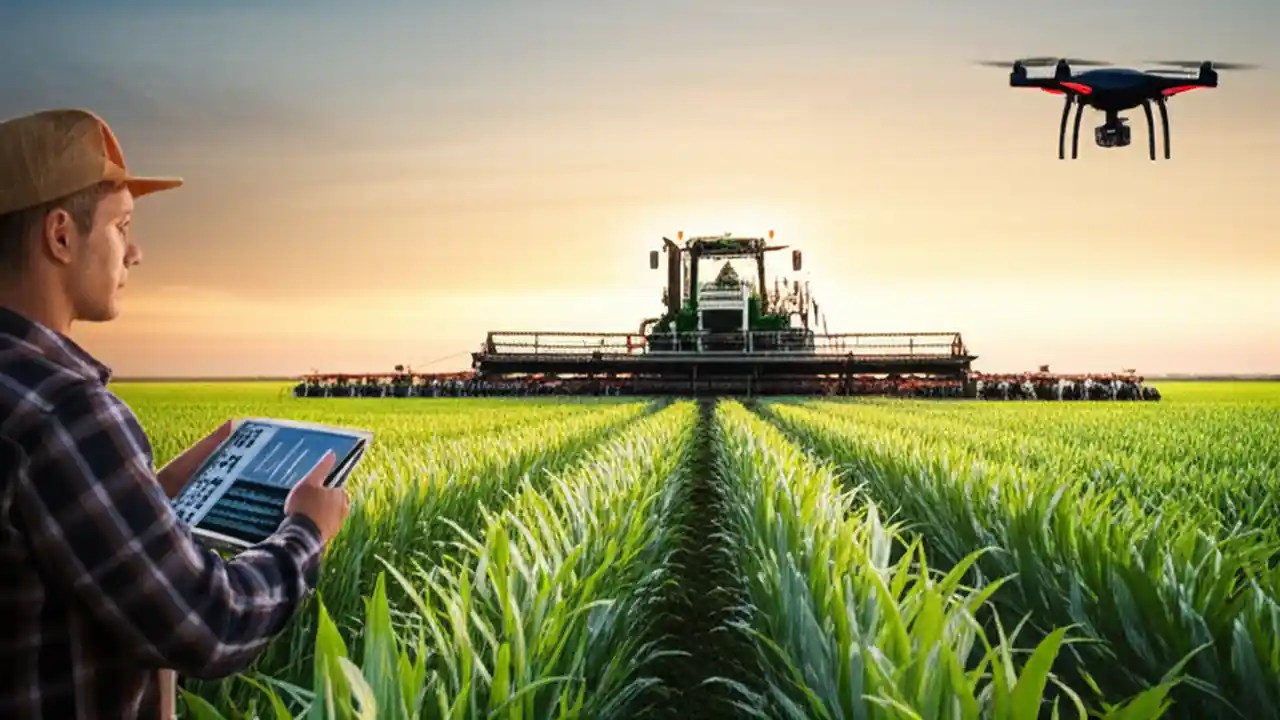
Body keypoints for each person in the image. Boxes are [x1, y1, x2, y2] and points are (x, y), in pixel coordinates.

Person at [0, 108, 351, 719]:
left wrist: (148, 498)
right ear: (60, 236)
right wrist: (305, 531)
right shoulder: (64, 414)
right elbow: (210, 624)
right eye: (121, 226)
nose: (134, 253)